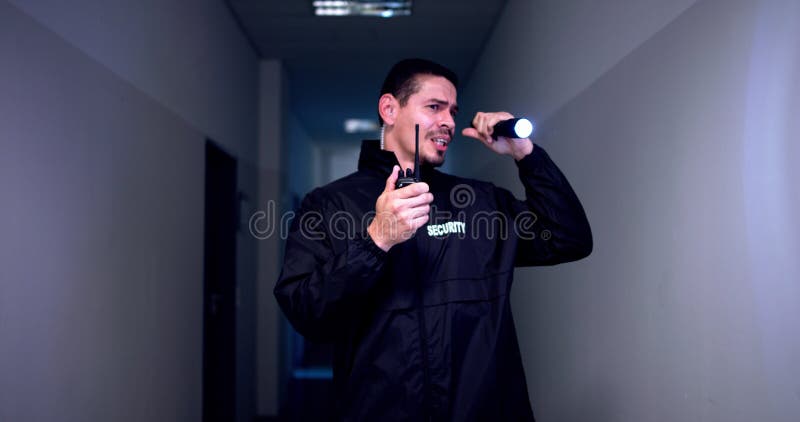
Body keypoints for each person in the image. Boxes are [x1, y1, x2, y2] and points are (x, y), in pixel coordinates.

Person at [275, 58, 592, 421]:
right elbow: (305, 312)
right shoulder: (330, 204)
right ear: (389, 109)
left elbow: (569, 237)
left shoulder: (479, 201)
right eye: (434, 107)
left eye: (453, 112)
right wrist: (376, 240)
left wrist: (527, 155)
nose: (450, 123)